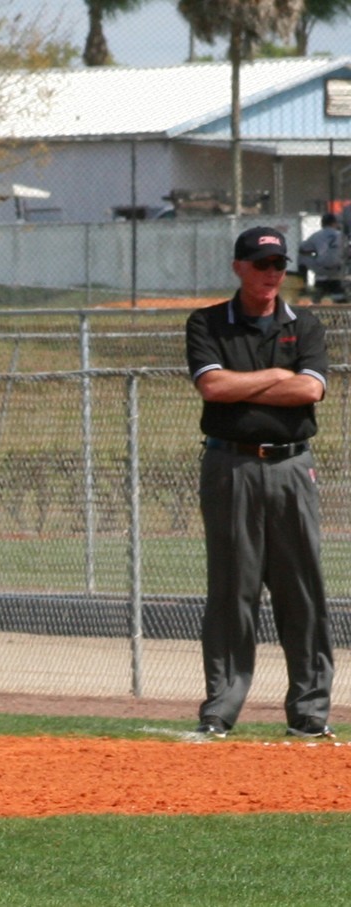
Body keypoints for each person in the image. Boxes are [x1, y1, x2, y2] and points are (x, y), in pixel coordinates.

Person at [186, 225, 336, 740]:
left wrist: (246, 385)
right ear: (239, 267)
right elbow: (212, 385)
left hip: (292, 466)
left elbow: (310, 391)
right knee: (234, 588)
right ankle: (221, 709)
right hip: (231, 466)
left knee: (302, 589)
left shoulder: (305, 324)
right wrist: (276, 375)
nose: (272, 273)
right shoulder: (208, 322)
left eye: (278, 265)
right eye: (261, 264)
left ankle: (310, 711)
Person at [297, 212, 346, 303]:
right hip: (338, 270)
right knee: (338, 294)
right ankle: (340, 300)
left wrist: (313, 255)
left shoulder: (316, 235)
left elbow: (303, 249)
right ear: (334, 223)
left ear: (322, 224)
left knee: (303, 257)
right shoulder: (340, 235)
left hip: (321, 270)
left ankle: (305, 286)